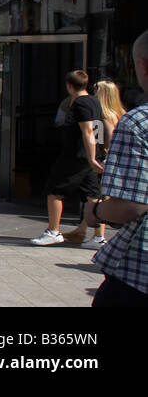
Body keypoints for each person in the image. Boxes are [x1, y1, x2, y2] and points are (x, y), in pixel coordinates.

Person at [85, 29, 148, 306]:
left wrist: (95, 211)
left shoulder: (137, 123)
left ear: (143, 66)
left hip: (139, 274)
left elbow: (131, 207)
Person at [31, 70, 103, 246]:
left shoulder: (81, 104)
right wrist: (98, 153)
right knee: (92, 194)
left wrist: (92, 157)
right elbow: (98, 127)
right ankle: (98, 237)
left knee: (54, 191)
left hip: (76, 156)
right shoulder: (94, 101)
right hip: (86, 156)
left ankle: (53, 231)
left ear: (69, 86)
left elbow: (88, 130)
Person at [64, 80, 127, 248]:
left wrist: (101, 154)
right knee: (97, 194)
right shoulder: (119, 113)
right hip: (113, 159)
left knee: (100, 196)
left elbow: (108, 140)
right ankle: (82, 230)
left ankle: (98, 236)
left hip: (107, 159)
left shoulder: (104, 115)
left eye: (96, 90)